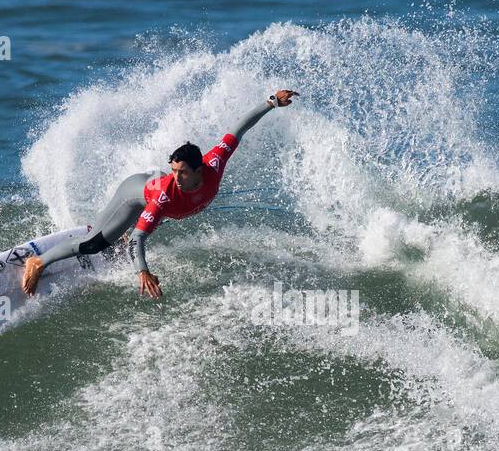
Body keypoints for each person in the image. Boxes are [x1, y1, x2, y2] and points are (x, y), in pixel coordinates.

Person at [21, 89, 297, 299]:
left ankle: (122, 232)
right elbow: (141, 238)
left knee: (152, 220)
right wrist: (143, 270)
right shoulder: (166, 194)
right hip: (135, 195)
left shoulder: (214, 162)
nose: (176, 177)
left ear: (199, 169)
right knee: (95, 244)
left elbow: (239, 128)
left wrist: (271, 102)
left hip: (159, 198)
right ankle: (39, 262)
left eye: (182, 172)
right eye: (173, 170)